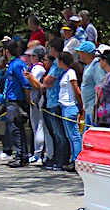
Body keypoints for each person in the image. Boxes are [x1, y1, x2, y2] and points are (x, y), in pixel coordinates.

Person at [2, 38, 32, 166]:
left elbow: (25, 82)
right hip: (11, 100)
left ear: (6, 51)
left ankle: (21, 155)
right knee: (15, 128)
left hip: (16, 101)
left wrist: (27, 99)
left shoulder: (18, 64)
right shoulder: (13, 64)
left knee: (16, 129)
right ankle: (20, 154)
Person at [41, 38, 69, 171]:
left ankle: (61, 159)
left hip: (56, 102)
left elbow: (47, 80)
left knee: (59, 133)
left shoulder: (58, 64)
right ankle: (57, 158)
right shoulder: (55, 64)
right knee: (56, 133)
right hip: (51, 101)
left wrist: (47, 81)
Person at [56, 51, 83, 170]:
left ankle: (77, 159)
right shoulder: (66, 73)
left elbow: (76, 89)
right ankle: (73, 157)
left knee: (74, 135)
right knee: (69, 135)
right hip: (64, 106)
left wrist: (81, 105)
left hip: (69, 106)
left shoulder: (71, 73)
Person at [24, 45, 47, 164]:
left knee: (38, 127)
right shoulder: (33, 68)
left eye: (33, 55)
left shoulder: (38, 68)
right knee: (35, 126)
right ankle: (37, 152)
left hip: (37, 100)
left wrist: (27, 77)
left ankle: (38, 154)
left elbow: (34, 84)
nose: (30, 58)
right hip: (33, 100)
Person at [75, 41, 103, 129]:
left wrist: (97, 105)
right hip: (87, 108)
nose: (79, 55)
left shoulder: (96, 66)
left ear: (85, 54)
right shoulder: (88, 66)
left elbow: (100, 86)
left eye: (80, 53)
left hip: (93, 109)